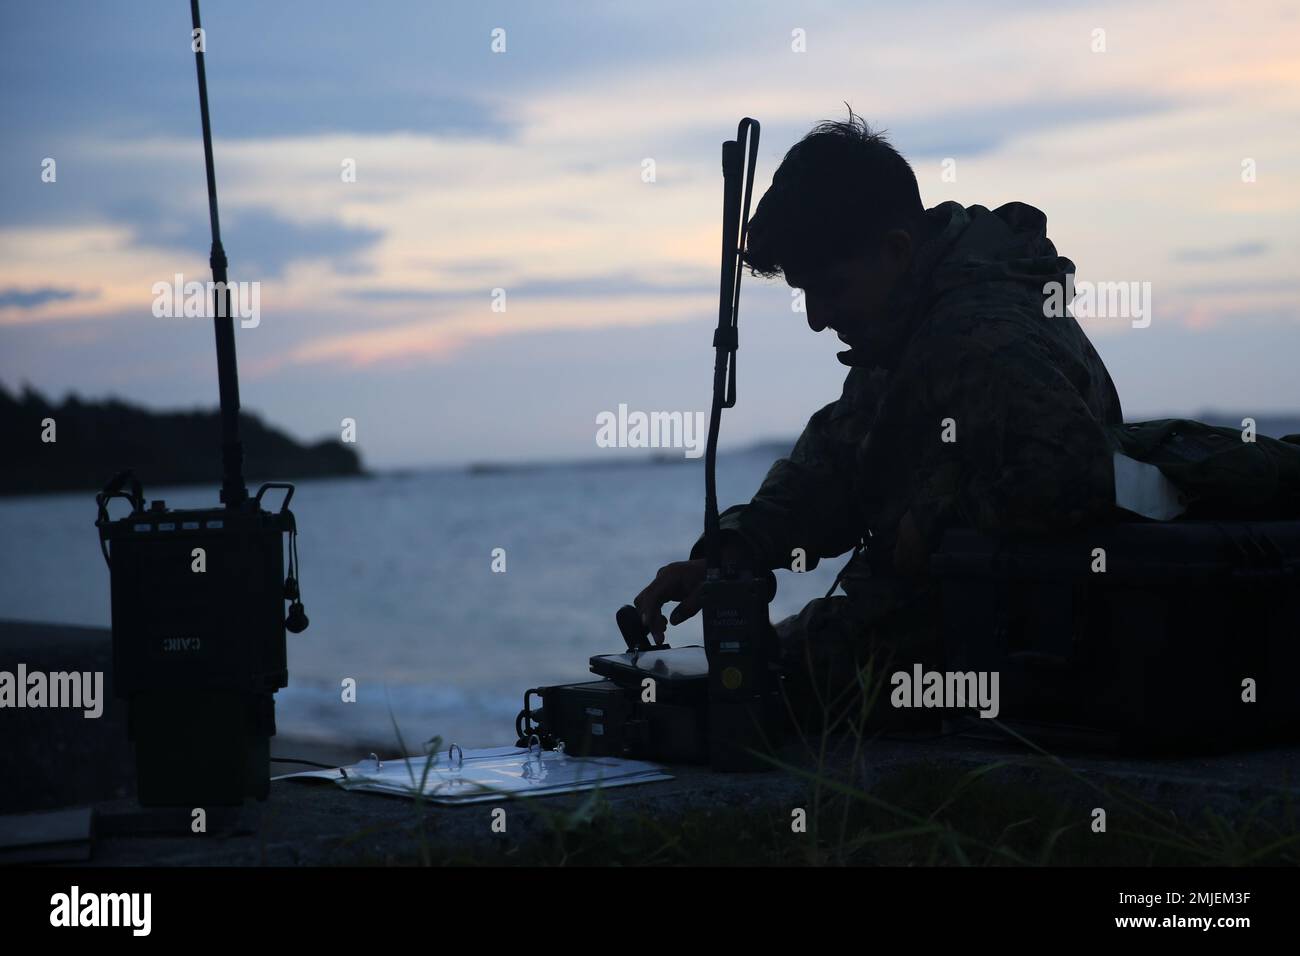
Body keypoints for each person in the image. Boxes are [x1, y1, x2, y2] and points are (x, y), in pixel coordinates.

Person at [634, 114, 1124, 731]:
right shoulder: (906, 322)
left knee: (755, 693)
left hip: (1010, 646)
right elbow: (841, 466)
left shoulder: (976, 333)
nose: (816, 318)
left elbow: (1075, 473)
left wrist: (932, 517)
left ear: (896, 250)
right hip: (956, 620)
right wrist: (736, 552)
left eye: (830, 288)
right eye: (804, 293)